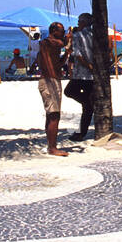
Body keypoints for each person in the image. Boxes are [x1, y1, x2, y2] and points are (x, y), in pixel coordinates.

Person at [36, 21, 68, 157]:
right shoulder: (47, 43)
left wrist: (67, 53)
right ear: (54, 31)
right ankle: (52, 147)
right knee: (54, 115)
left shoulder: (52, 49)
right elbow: (57, 43)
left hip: (54, 79)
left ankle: (51, 145)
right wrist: (68, 41)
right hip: (49, 81)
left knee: (52, 114)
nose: (63, 34)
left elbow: (59, 64)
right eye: (62, 31)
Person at [66, 13, 96, 141]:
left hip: (81, 74)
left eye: (79, 21)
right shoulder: (95, 35)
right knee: (87, 106)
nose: (78, 23)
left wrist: (88, 66)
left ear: (84, 22)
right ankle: (82, 133)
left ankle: (81, 133)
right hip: (91, 75)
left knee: (68, 91)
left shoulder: (78, 35)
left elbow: (78, 55)